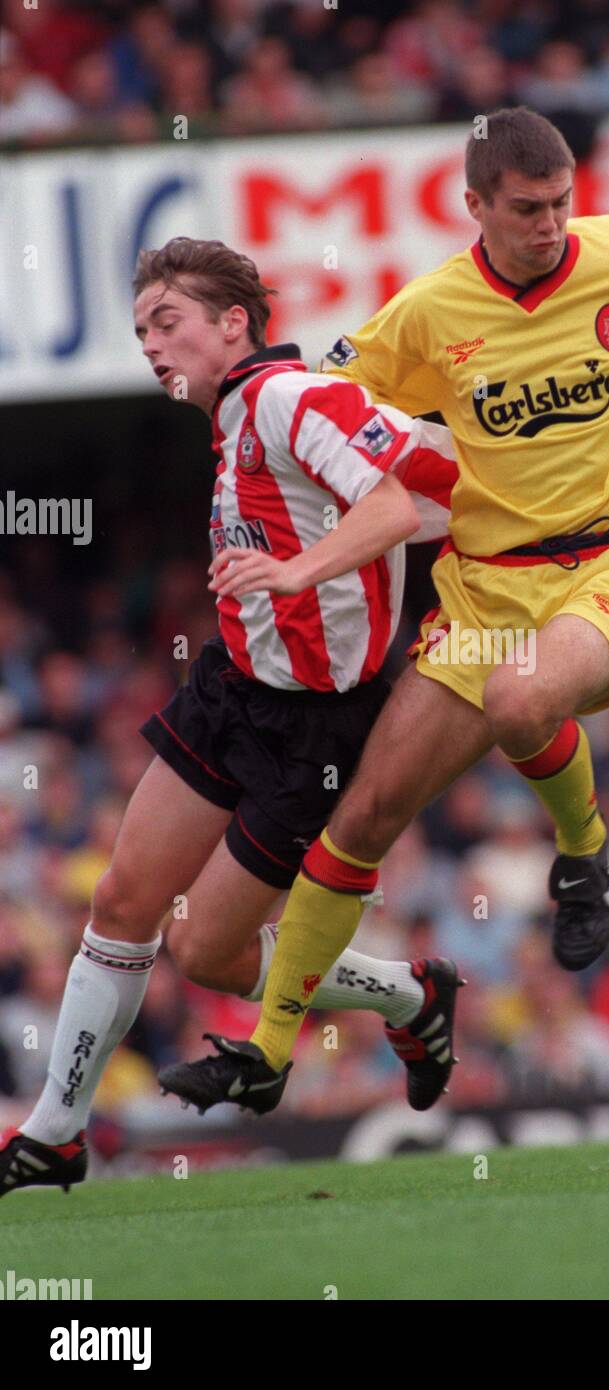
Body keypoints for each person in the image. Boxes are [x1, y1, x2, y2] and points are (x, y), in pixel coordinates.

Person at [161, 106, 609, 1116]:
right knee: (361, 816)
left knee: (520, 699)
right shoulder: (429, 313)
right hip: (481, 586)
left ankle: (583, 850)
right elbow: (324, 392)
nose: (550, 224)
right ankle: (272, 1048)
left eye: (560, 204)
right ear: (475, 206)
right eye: (525, 209)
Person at [0, 237, 464, 1199]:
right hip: (233, 687)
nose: (151, 346)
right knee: (123, 903)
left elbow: (392, 505)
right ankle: (57, 1133)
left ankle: (416, 996)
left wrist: (295, 571)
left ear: (234, 324)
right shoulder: (236, 414)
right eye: (140, 332)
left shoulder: (292, 398)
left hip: (316, 727)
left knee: (206, 952)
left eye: (167, 324)